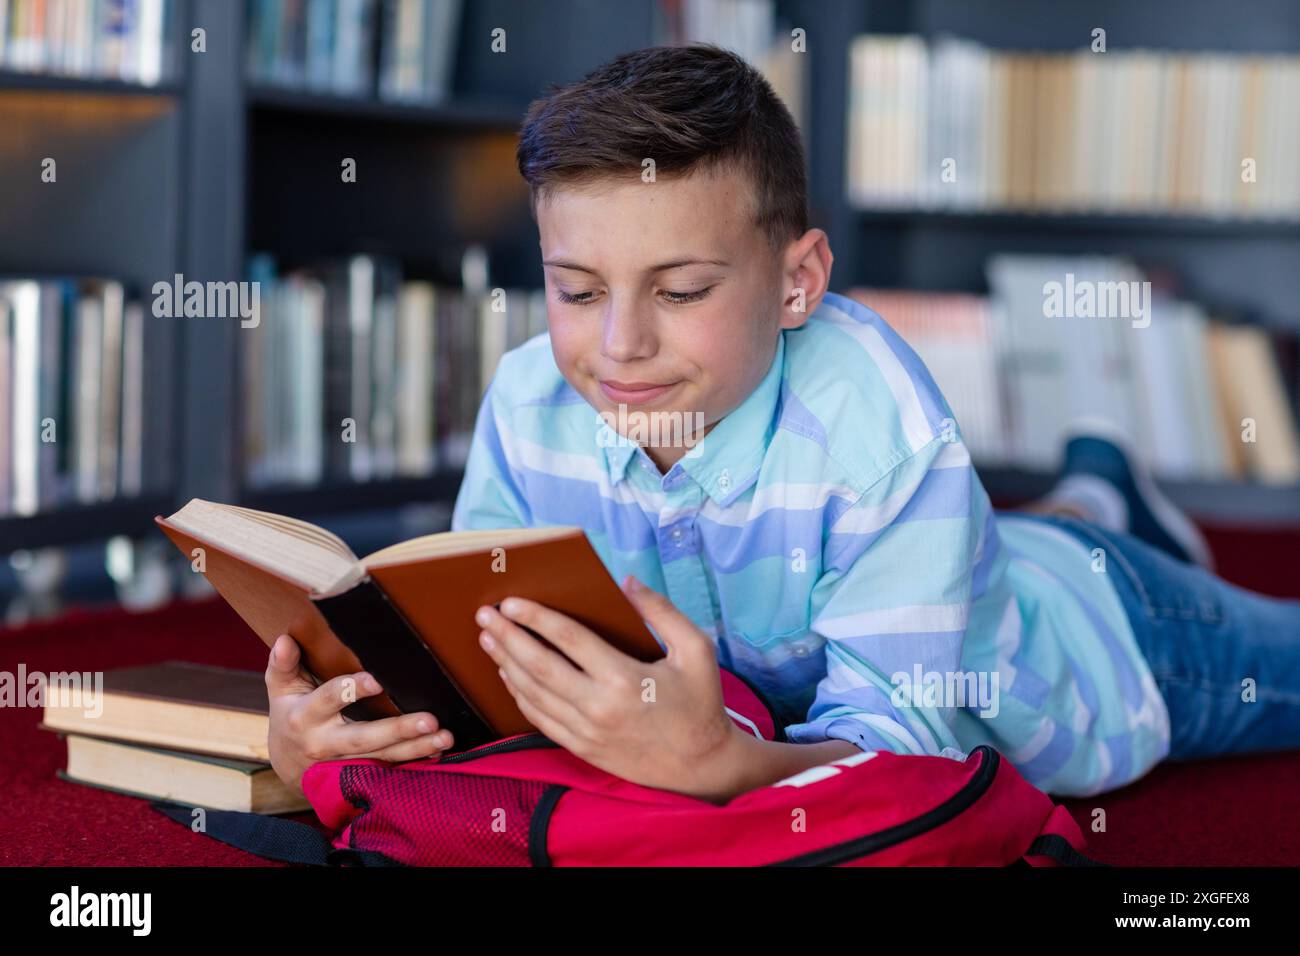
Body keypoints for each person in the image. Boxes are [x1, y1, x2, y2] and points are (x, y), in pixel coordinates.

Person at [264, 45, 1300, 801]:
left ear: (796, 281)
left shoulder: (877, 420)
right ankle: (1096, 484)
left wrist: (718, 761)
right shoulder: (531, 400)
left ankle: (1104, 516)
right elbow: (487, 667)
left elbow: (904, 755)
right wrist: (348, 730)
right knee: (992, 533)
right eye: (577, 291)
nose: (618, 345)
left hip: (1112, 631)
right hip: (937, 561)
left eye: (679, 291)